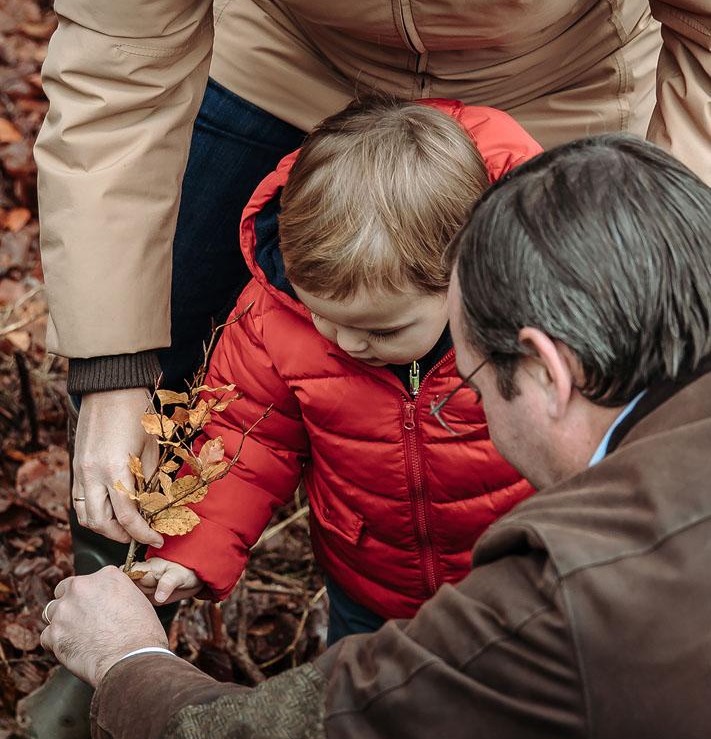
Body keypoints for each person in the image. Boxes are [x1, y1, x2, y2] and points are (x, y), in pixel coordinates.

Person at [34, 0, 711, 566]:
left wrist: (661, 248)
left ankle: (560, 612)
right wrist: (110, 366)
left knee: (590, 369)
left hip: (556, 89)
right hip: (288, 64)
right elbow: (118, 71)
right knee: (148, 330)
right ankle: (113, 640)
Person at [41, 134, 711, 739]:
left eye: (472, 385)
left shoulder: (562, 599)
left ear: (547, 370)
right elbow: (251, 432)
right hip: (370, 584)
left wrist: (127, 660)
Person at [135, 99, 538, 640]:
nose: (348, 343)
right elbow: (243, 440)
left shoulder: (533, 316)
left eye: (382, 331)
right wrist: (195, 547)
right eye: (325, 316)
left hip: (521, 583)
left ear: (464, 270)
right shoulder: (274, 320)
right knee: (363, 706)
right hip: (369, 589)